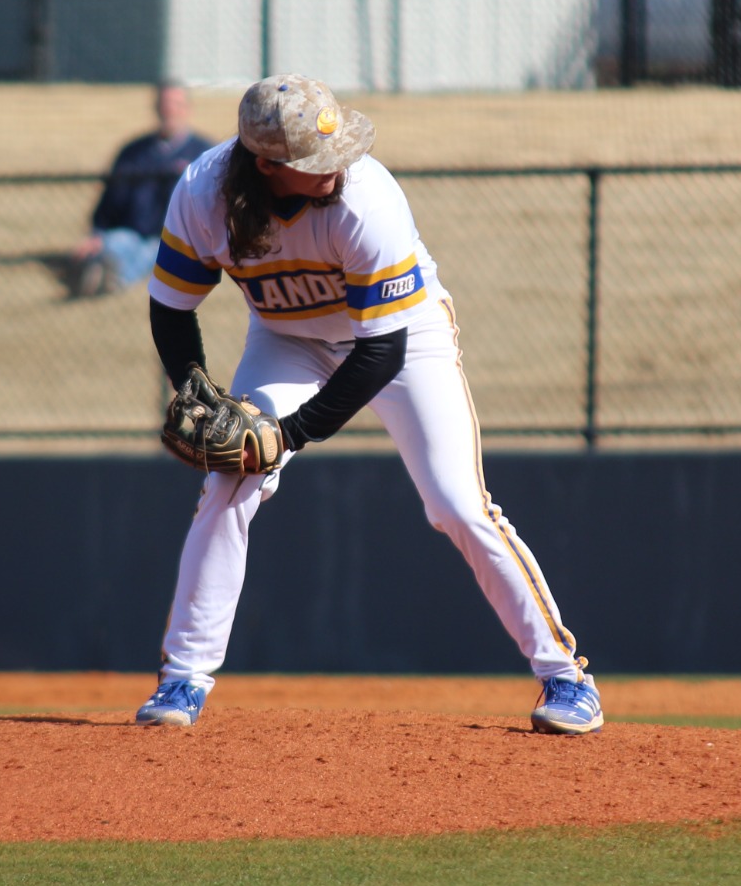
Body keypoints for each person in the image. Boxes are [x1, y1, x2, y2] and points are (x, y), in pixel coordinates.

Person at [133, 74, 603, 735]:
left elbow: (380, 354)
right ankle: (183, 677)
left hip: (404, 337)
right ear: (267, 164)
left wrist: (287, 434)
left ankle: (567, 676)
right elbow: (171, 306)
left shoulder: (367, 199)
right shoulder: (204, 193)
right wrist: (193, 382)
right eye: (314, 158)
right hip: (286, 339)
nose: (336, 164)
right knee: (232, 478)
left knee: (457, 504)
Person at [60, 81, 212, 298]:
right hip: (132, 233)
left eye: (175, 104)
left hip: (178, 240)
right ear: (155, 108)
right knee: (114, 244)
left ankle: (111, 280)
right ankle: (99, 270)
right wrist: (98, 234)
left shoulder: (205, 155)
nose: (169, 111)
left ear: (188, 109)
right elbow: (111, 200)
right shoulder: (133, 153)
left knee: (154, 253)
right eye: (164, 104)